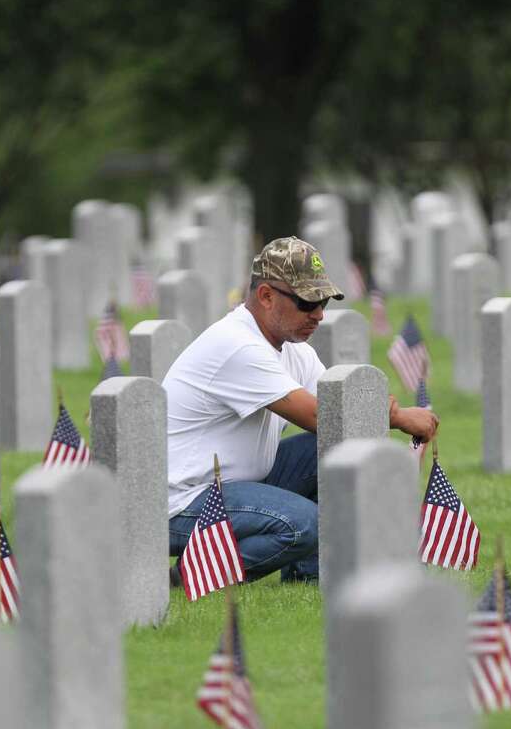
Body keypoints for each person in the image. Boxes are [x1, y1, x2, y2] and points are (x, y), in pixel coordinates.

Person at [164, 236, 439, 584]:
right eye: (308, 301)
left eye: (323, 301)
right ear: (266, 296)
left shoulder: (292, 346)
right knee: (305, 524)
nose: (320, 314)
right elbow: (322, 416)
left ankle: (308, 578)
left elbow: (341, 416)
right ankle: (188, 577)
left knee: (342, 450)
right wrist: (398, 417)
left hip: (236, 482)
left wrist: (375, 413)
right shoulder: (237, 345)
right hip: (184, 502)